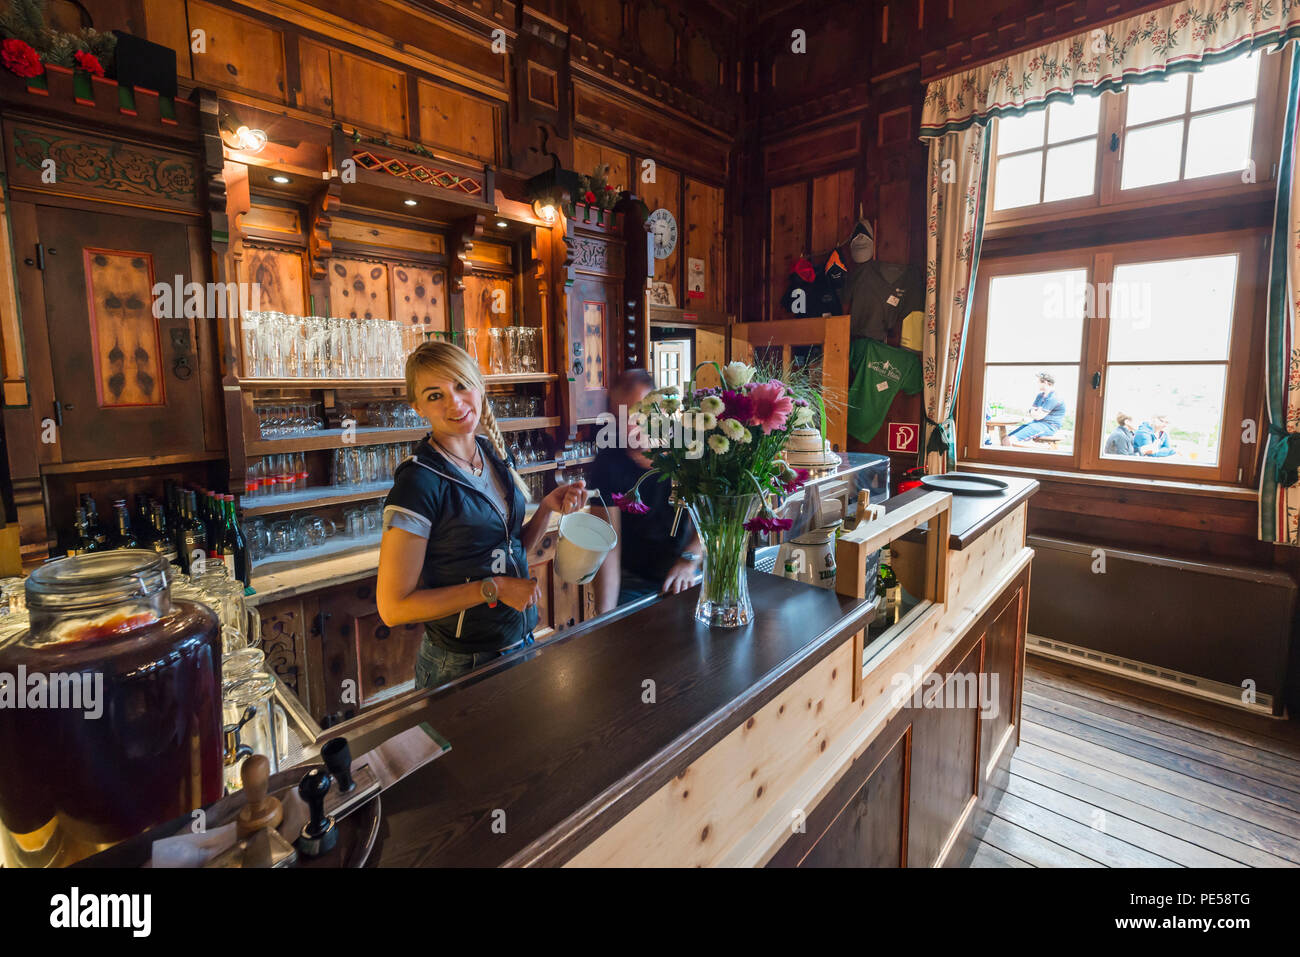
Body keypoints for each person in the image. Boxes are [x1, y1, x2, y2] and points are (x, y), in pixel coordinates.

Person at [376, 341, 587, 689]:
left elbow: (511, 548)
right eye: (435, 395)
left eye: (461, 385)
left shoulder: (490, 453)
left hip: (519, 641)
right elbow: (394, 607)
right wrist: (495, 588)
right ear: (416, 407)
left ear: (479, 385)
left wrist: (547, 506)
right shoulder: (419, 481)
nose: (455, 403)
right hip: (462, 664)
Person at [590, 369, 703, 613]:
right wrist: (604, 617)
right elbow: (608, 546)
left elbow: (711, 516)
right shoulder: (607, 464)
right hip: (632, 582)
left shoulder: (685, 449)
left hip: (687, 572)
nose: (632, 423)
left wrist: (689, 559)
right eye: (624, 415)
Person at [1004, 372, 1066, 447]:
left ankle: (1040, 451)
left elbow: (1038, 416)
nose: (1037, 384)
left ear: (1045, 382)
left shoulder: (1054, 397)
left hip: (1049, 426)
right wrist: (1035, 412)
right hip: (1036, 423)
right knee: (1006, 439)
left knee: (1011, 441)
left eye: (1039, 382)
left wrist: (1035, 412)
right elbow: (1032, 412)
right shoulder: (1040, 395)